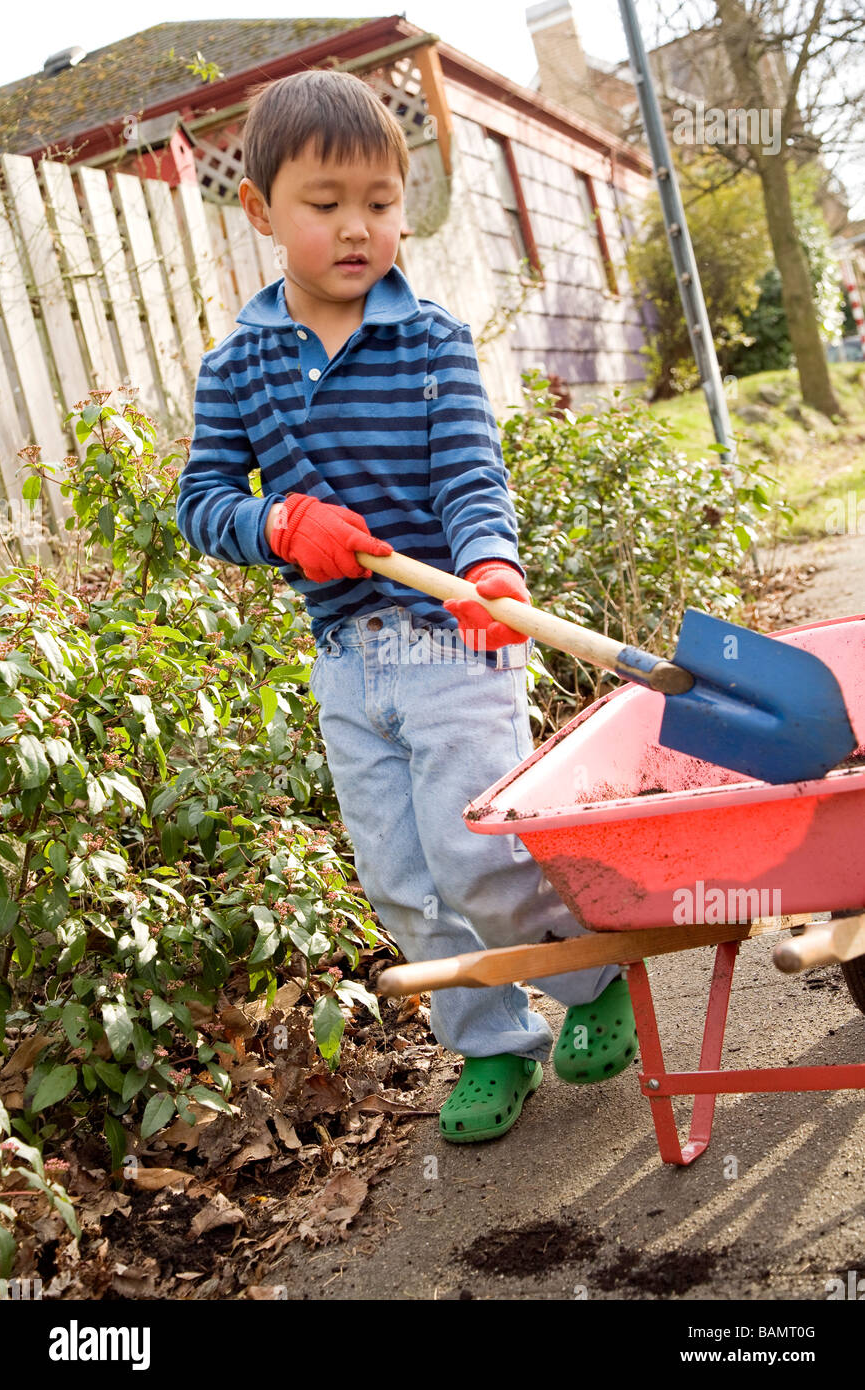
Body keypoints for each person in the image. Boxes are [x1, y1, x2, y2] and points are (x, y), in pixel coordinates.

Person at [176, 68, 637, 1144]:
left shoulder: (429, 342)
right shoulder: (238, 366)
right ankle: (489, 1044)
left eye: (379, 203)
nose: (356, 228)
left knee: (477, 851)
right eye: (325, 204)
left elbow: (470, 478)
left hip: (452, 641)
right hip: (346, 658)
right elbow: (201, 506)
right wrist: (281, 525)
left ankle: (586, 979)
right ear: (261, 212)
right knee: (400, 877)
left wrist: (492, 570)